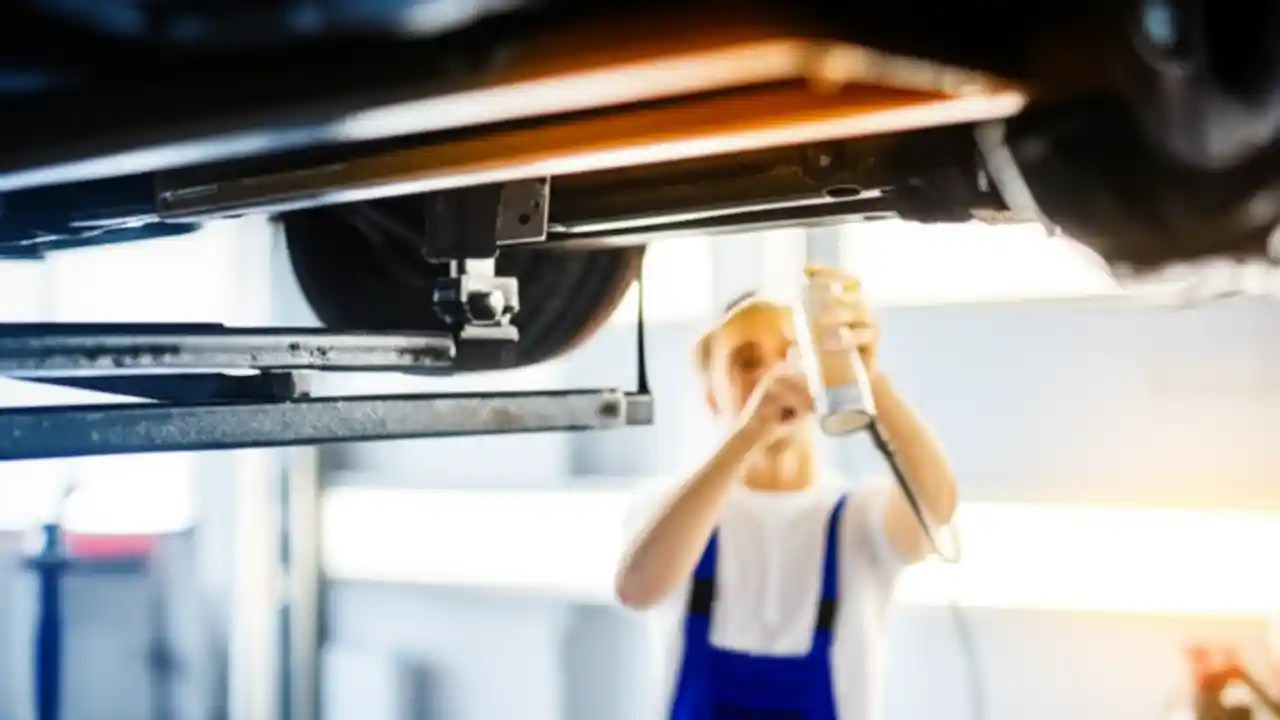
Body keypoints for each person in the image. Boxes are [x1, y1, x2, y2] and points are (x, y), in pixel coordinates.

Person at [615, 265, 958, 720]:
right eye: (746, 361)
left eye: (791, 354)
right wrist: (750, 430)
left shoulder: (861, 515)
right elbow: (638, 588)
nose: (774, 373)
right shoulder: (670, 508)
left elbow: (935, 507)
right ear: (711, 396)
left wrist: (865, 375)